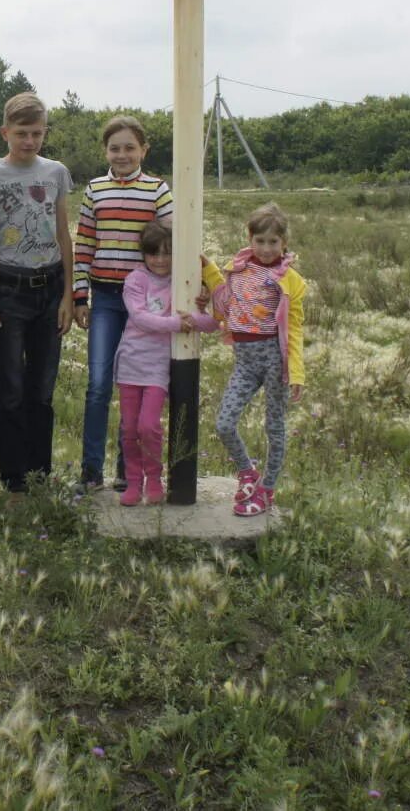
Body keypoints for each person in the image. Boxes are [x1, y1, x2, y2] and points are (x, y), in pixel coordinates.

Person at [0, 93, 73, 493]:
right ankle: (13, 479)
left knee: (42, 390)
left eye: (36, 133)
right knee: (9, 390)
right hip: (8, 290)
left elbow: (63, 232)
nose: (29, 141)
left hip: (49, 287)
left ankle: (39, 473)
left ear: (45, 132)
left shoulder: (56, 173)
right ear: (5, 133)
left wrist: (68, 294)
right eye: (21, 133)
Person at [71, 115, 173, 495]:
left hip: (146, 304)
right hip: (105, 301)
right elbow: (83, 246)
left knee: (137, 383)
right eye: (115, 147)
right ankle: (90, 471)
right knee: (98, 384)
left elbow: (172, 243)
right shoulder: (95, 190)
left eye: (130, 147)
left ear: (144, 150)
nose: (123, 154)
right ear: (105, 151)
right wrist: (79, 295)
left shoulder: (158, 191)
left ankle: (127, 472)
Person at [211, 202, 307, 518]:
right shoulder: (237, 268)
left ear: (284, 243)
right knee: (224, 423)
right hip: (245, 360)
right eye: (260, 241)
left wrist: (296, 373)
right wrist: (207, 290)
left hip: (274, 360)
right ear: (250, 239)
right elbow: (224, 297)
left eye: (273, 242)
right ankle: (247, 470)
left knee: (274, 427)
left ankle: (267, 489)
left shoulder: (288, 279)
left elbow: (293, 327)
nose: (266, 249)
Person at [115, 219, 218, 506]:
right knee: (129, 429)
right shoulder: (136, 280)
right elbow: (140, 318)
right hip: (130, 363)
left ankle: (155, 479)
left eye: (167, 253)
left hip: (157, 369)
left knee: (148, 426)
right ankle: (133, 483)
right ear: (143, 254)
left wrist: (203, 310)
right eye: (153, 253)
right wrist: (176, 323)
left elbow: (210, 323)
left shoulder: (183, 283)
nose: (160, 260)